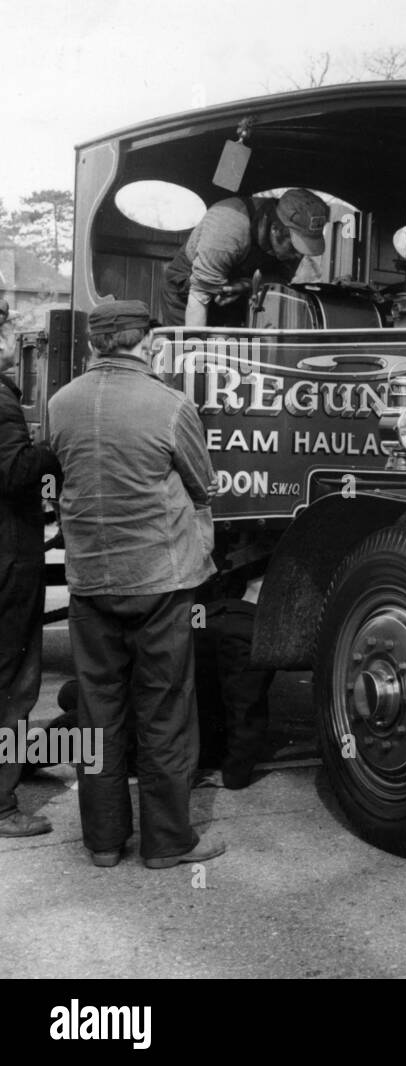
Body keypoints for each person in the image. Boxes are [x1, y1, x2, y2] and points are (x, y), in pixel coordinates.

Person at [47, 300, 226, 868]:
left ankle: (102, 843)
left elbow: (61, 473)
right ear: (143, 341)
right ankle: (168, 843)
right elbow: (204, 483)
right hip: (159, 580)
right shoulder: (171, 405)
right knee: (165, 710)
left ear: (97, 344)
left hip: (90, 581)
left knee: (99, 711)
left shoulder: (59, 405)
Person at [0, 297, 62, 836]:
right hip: (9, 554)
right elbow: (17, 472)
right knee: (16, 681)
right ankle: (0, 803)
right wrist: (51, 444)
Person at [160, 188, 328, 327]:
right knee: (189, 357)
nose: (298, 256)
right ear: (275, 229)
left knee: (231, 358)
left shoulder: (292, 240)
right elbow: (199, 297)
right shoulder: (228, 227)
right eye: (294, 247)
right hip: (189, 291)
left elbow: (278, 281)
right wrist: (194, 356)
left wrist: (247, 285)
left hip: (232, 293)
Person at [193, 563, 275, 790]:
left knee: (204, 692)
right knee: (245, 704)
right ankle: (234, 772)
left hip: (209, 616)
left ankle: (206, 761)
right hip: (246, 620)